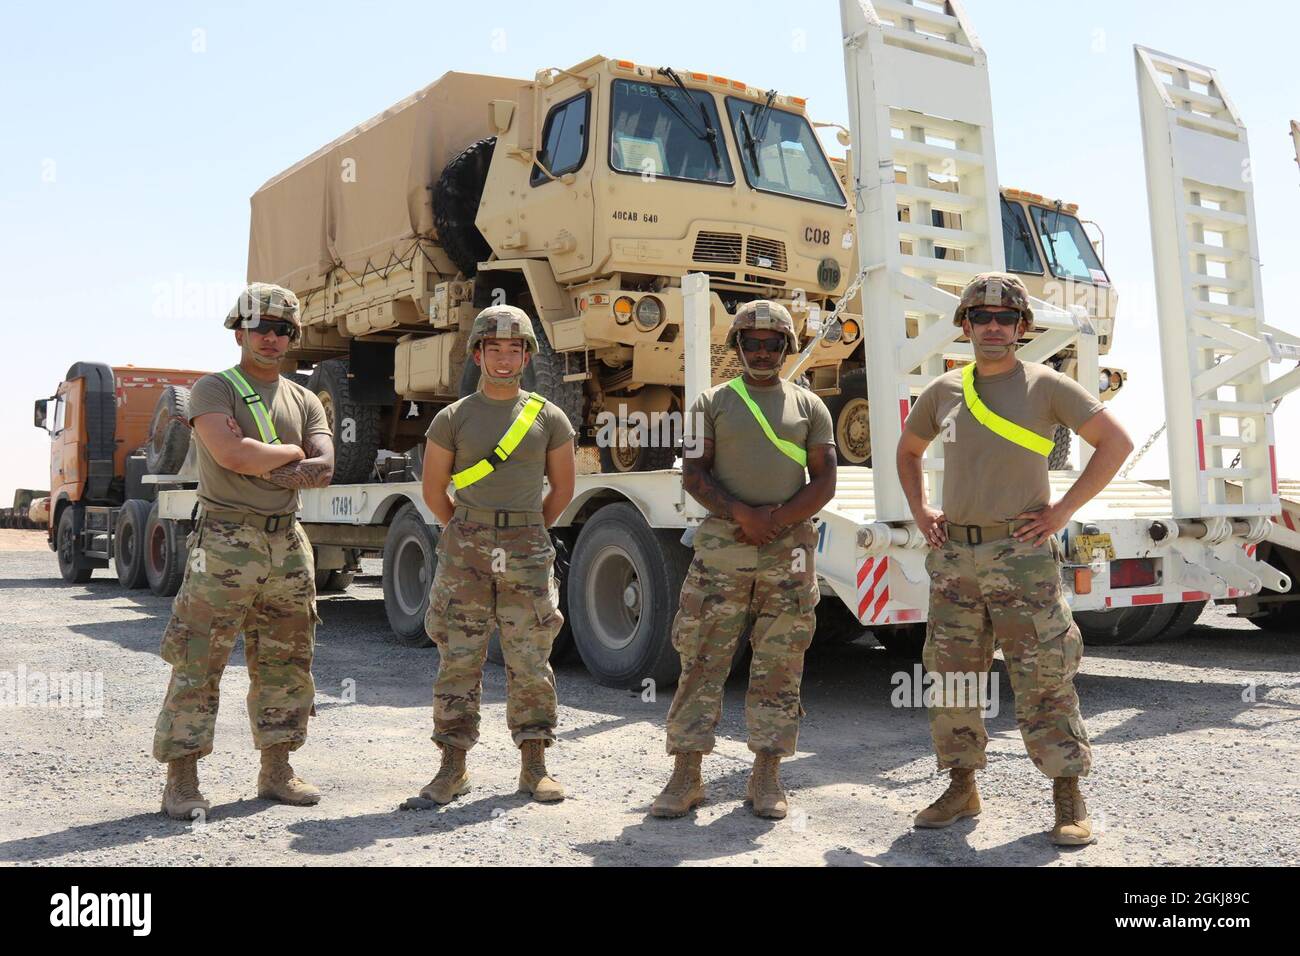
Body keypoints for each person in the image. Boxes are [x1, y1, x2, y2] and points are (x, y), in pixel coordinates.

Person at [895, 272, 1133, 845]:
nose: (993, 328)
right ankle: (960, 786)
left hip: (1021, 555)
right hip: (954, 557)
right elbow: (907, 451)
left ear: (1023, 328)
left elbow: (1116, 443)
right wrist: (921, 508)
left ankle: (1067, 796)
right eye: (981, 318)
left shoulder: (1047, 385)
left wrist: (1060, 513)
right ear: (966, 327)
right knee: (952, 677)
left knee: (1044, 675)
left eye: (1005, 319)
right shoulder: (944, 391)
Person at [154, 283, 335, 820]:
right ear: (240, 331)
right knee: (198, 659)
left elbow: (325, 469)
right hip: (226, 539)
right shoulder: (215, 389)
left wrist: (270, 460)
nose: (273, 338)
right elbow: (231, 453)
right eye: (262, 327)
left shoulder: (304, 398)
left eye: (284, 329)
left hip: (288, 540)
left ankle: (276, 770)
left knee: (287, 659)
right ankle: (181, 781)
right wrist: (291, 453)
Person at [651, 300, 837, 820]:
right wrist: (740, 515)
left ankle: (766, 776)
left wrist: (773, 522)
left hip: (788, 552)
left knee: (780, 665)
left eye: (772, 343)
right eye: (750, 343)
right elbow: (694, 474)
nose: (761, 352)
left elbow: (825, 479)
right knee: (702, 659)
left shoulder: (810, 407)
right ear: (736, 347)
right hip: (722, 550)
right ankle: (686, 775)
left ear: (786, 347)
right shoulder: (709, 403)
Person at [418, 305, 577, 804]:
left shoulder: (549, 416)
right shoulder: (453, 417)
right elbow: (433, 490)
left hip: (527, 547)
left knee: (530, 658)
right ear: (478, 353)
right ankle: (452, 768)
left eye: (514, 350)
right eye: (494, 349)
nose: (504, 359)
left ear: (528, 356)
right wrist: (468, 528)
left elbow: (563, 489)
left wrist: (526, 530)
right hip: (466, 546)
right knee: (459, 658)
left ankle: (535, 767)